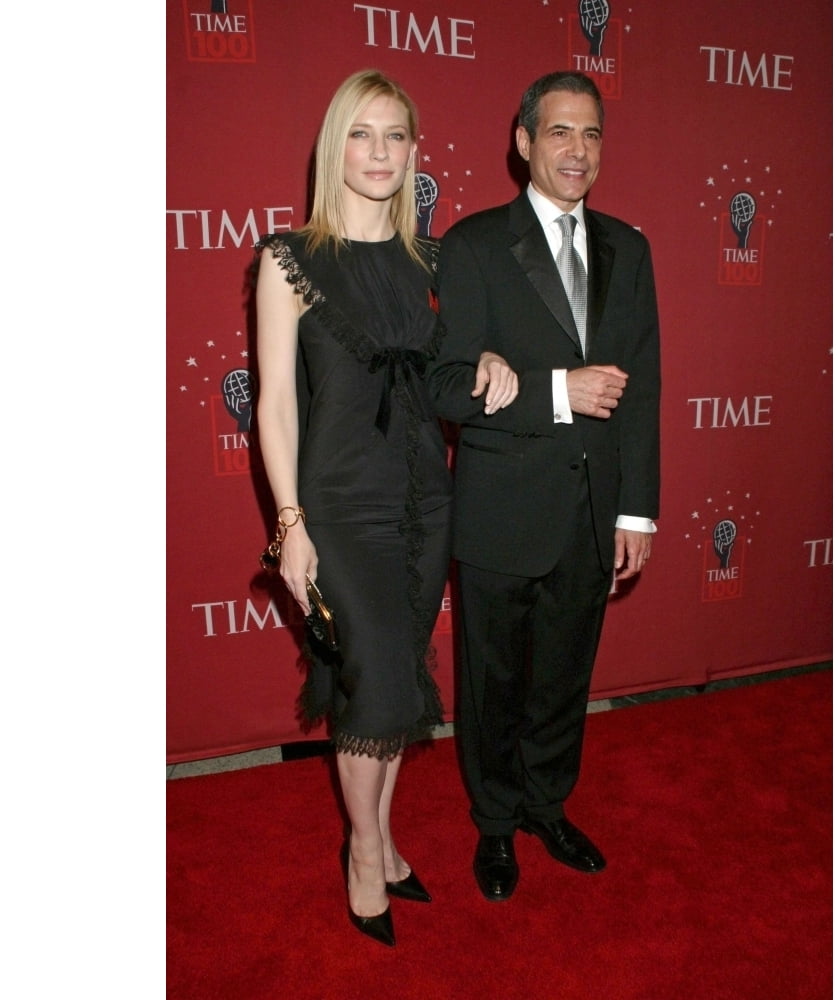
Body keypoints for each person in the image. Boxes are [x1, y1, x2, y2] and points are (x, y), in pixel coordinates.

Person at [254, 69, 518, 946]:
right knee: (370, 683)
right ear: (337, 145)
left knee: (399, 681)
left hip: (421, 499)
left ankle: (386, 838)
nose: (379, 153)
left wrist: (489, 364)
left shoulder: (431, 260)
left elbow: (449, 373)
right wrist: (289, 525)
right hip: (336, 502)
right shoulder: (288, 258)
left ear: (413, 151)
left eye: (395, 136)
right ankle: (365, 850)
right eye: (362, 134)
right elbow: (276, 406)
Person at [426, 70, 661, 901]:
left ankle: (546, 804)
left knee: (565, 675)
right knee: (491, 683)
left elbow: (643, 389)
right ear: (523, 142)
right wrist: (557, 388)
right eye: (560, 132)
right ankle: (494, 825)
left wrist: (636, 508)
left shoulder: (629, 250)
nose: (578, 150)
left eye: (592, 134)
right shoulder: (473, 244)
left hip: (593, 511)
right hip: (500, 511)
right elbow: (449, 385)